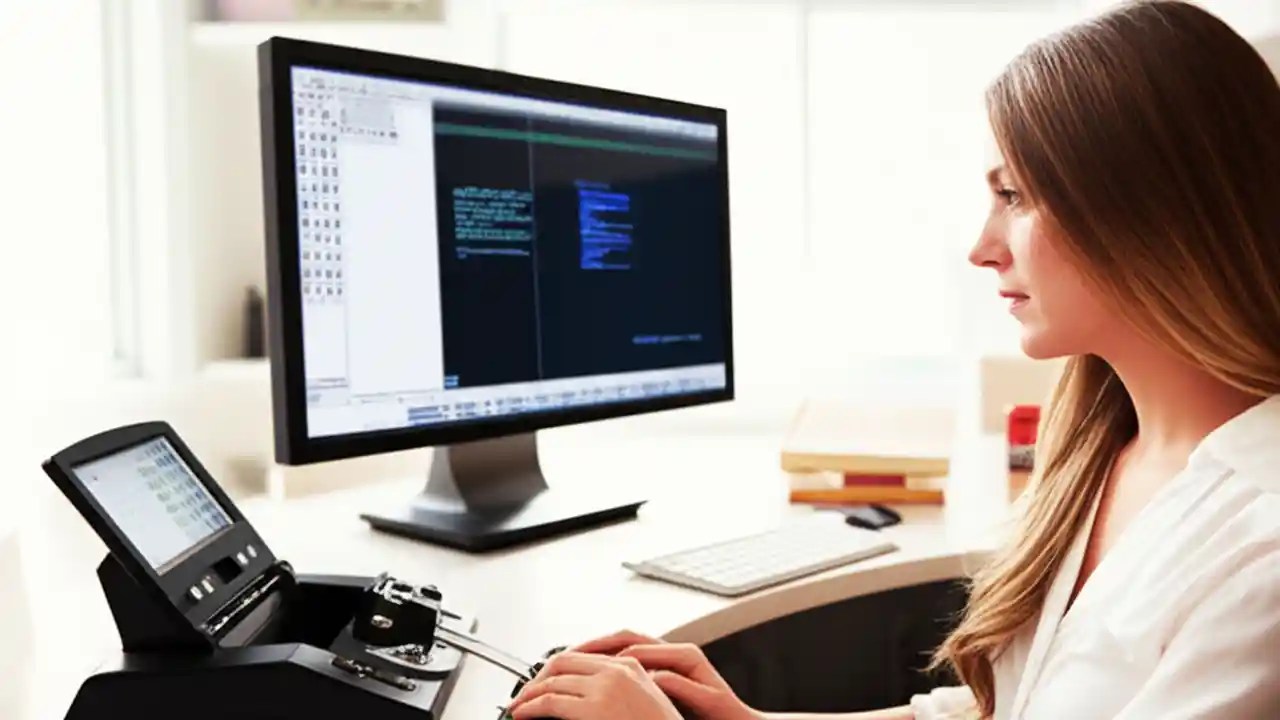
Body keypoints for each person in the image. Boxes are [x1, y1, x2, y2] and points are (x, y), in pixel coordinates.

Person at [503, 1, 1280, 718]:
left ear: (1148, 209)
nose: (981, 249)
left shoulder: (1261, 553)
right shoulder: (1103, 452)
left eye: (1013, 196)